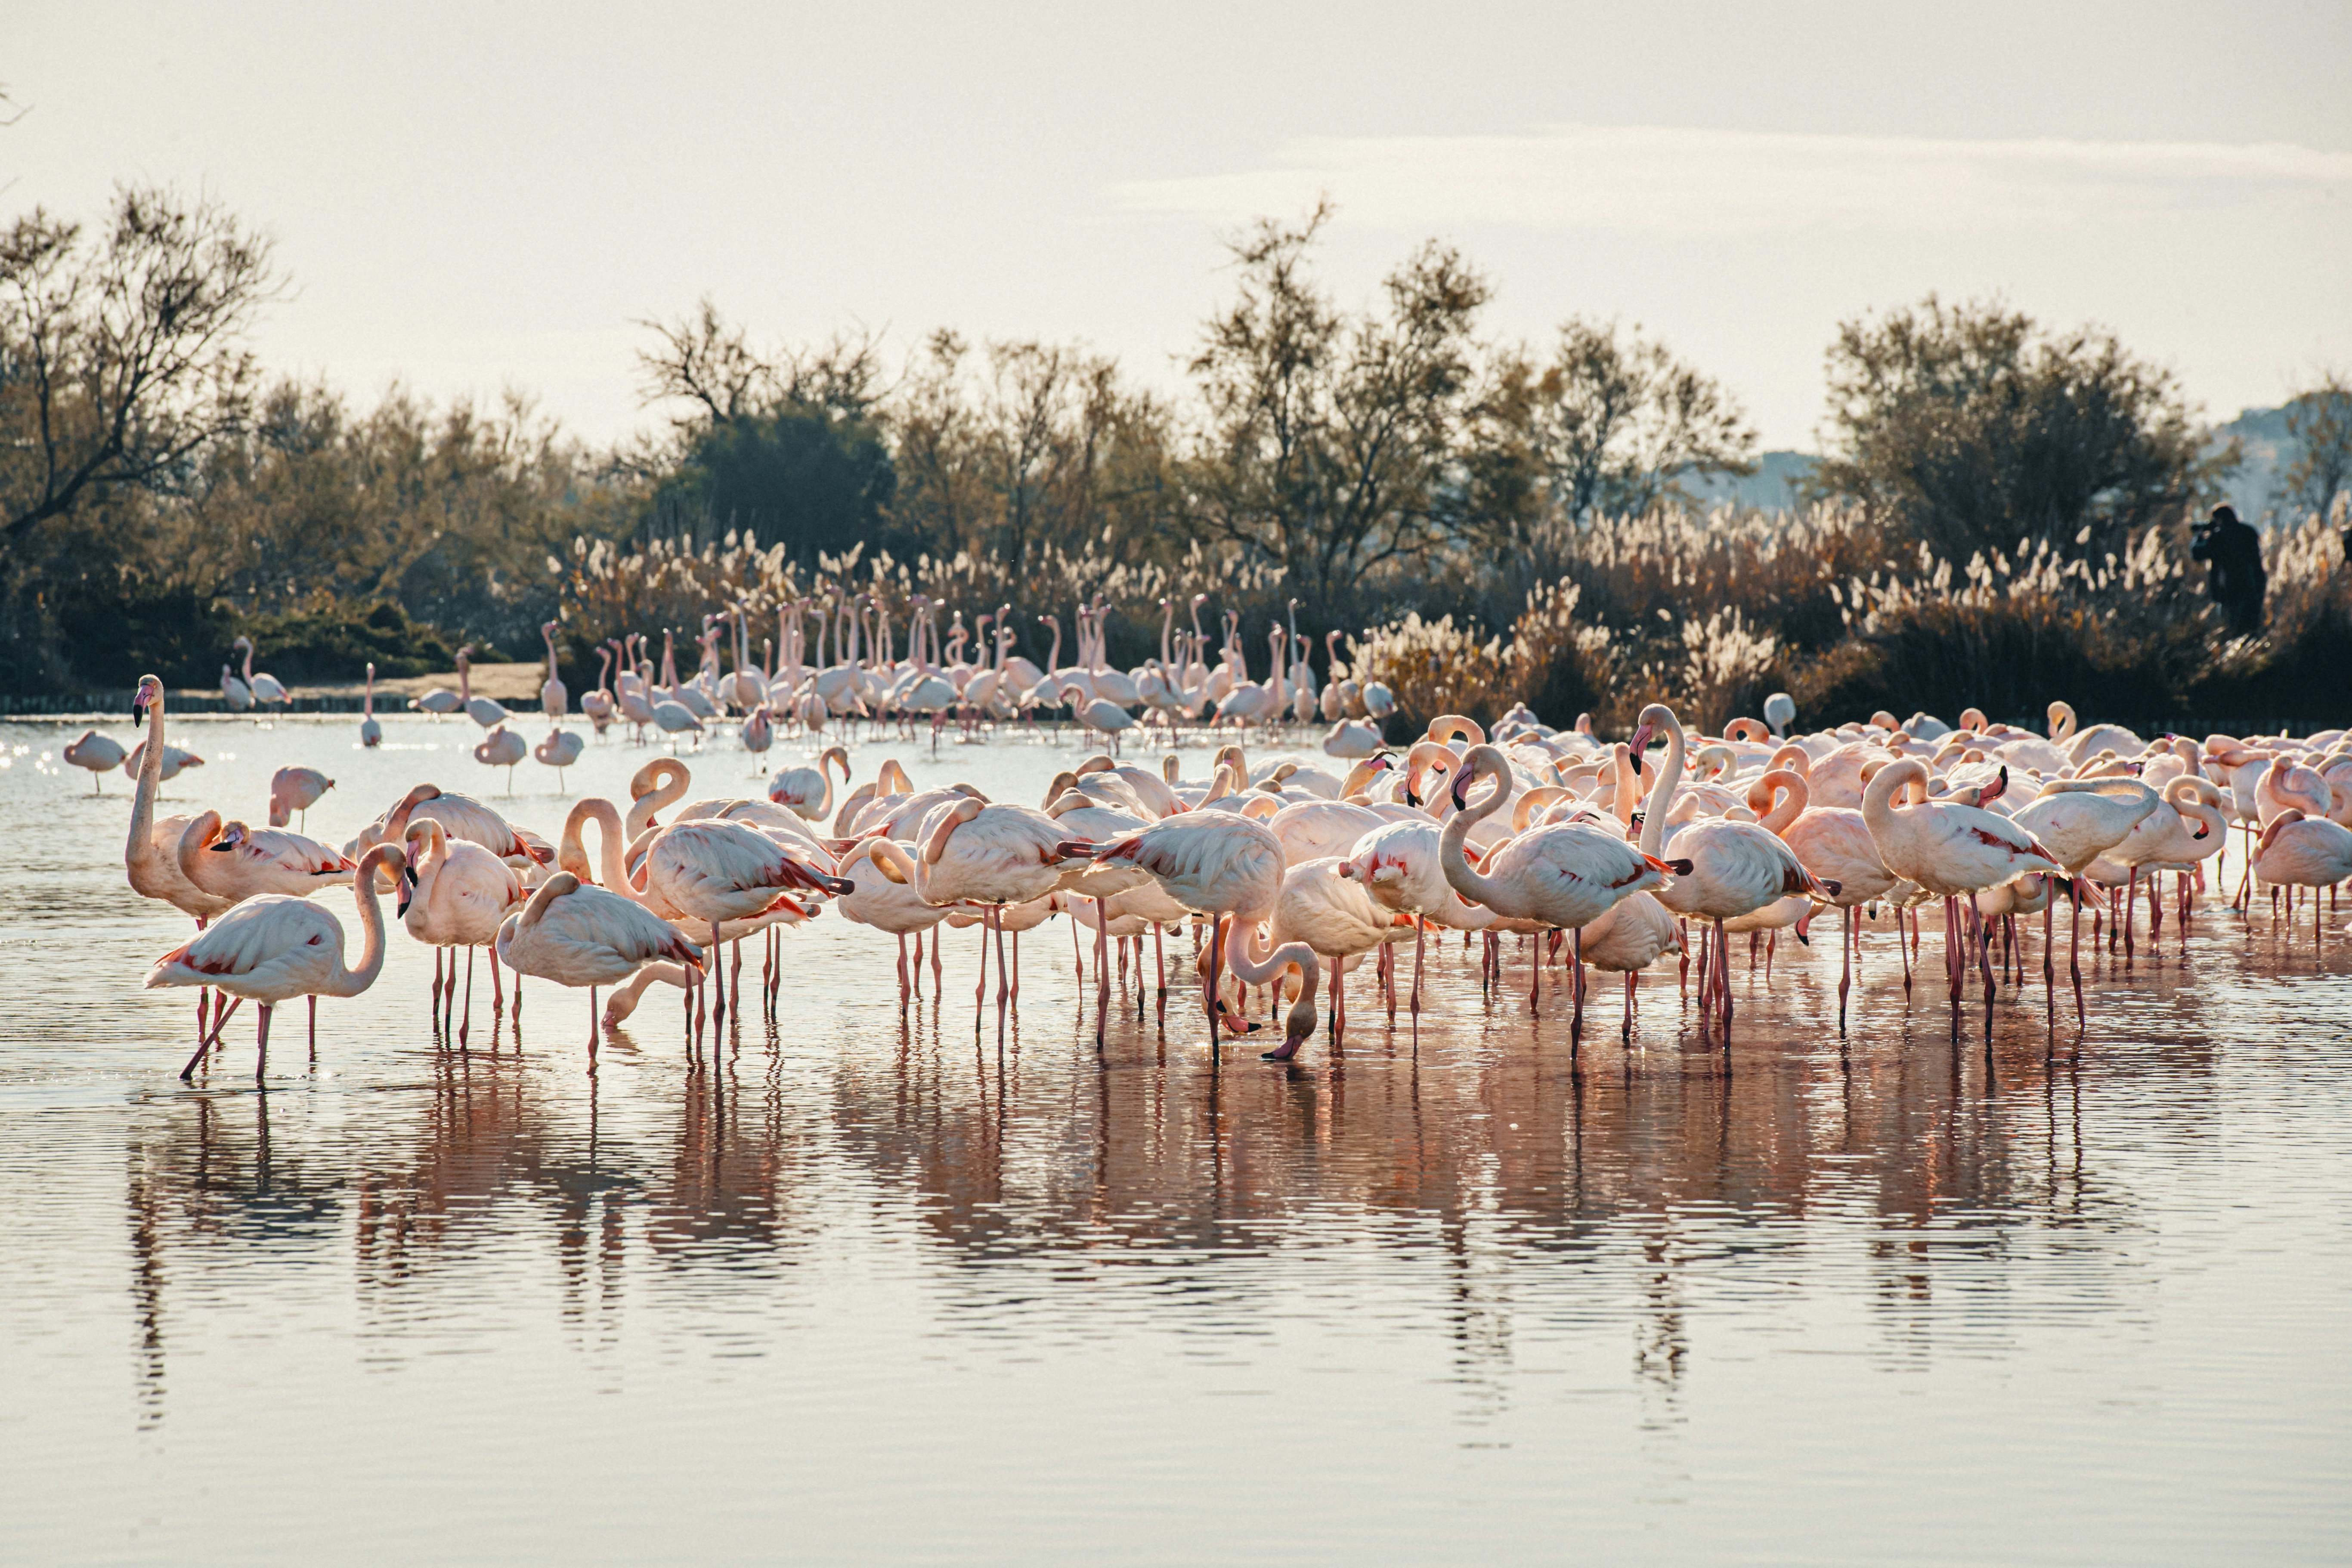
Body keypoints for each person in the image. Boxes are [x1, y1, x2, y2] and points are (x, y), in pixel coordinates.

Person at [2190, 504, 2266, 634]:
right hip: (2253, 587)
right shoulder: (2249, 531)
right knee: (2252, 628)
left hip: (2229, 590)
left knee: (2233, 629)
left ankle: (2238, 653)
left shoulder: (2219, 537)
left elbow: (2197, 554)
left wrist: (2200, 535)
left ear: (2219, 519)